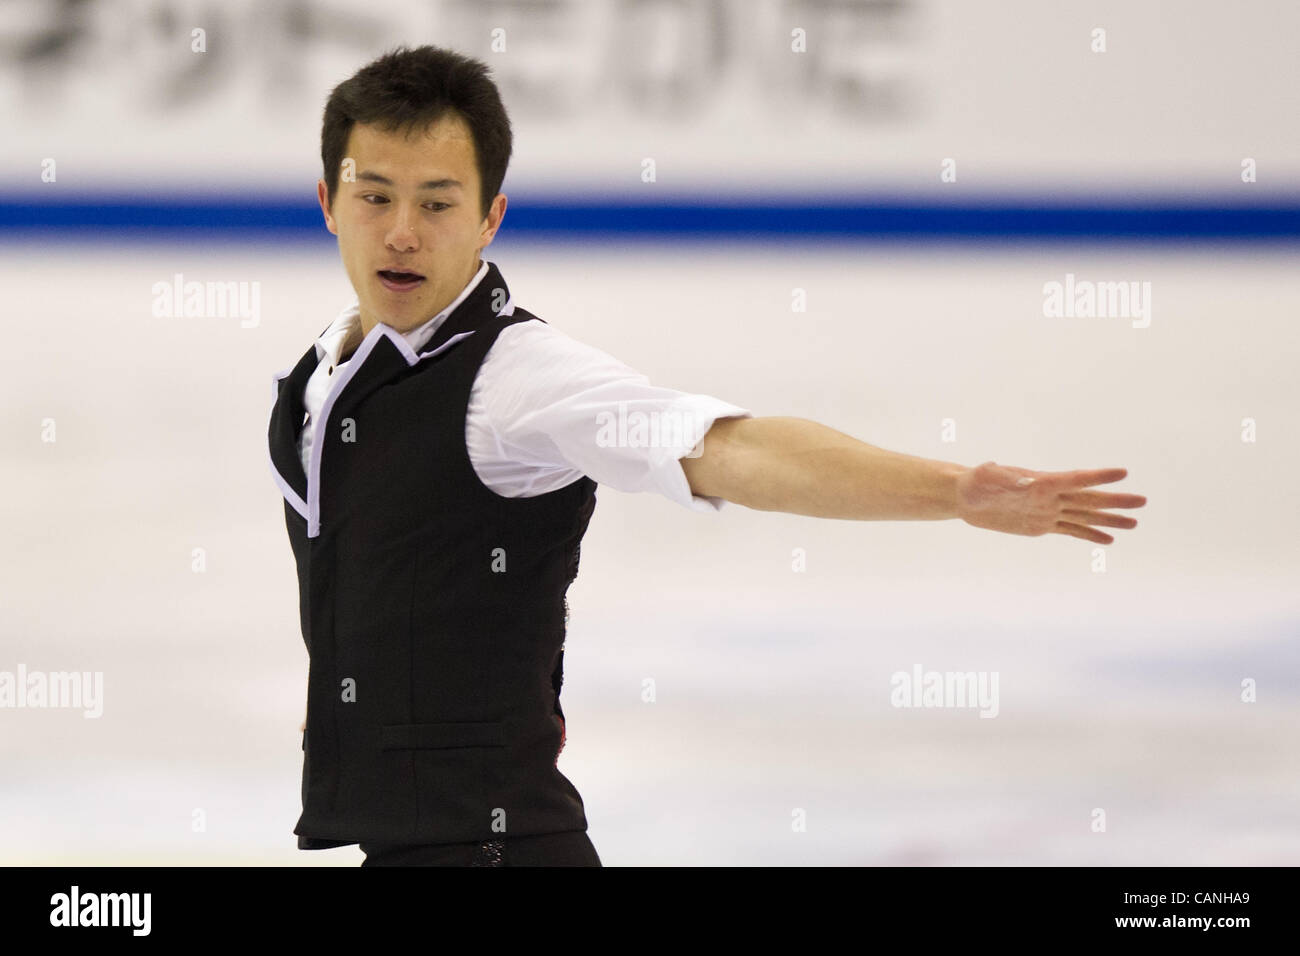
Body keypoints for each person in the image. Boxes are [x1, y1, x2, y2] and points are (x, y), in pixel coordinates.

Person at [267, 45, 1147, 867]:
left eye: (437, 202)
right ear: (327, 203)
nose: (402, 233)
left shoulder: (516, 379)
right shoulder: (323, 374)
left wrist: (955, 490)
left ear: (491, 216)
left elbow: (730, 449)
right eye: (375, 196)